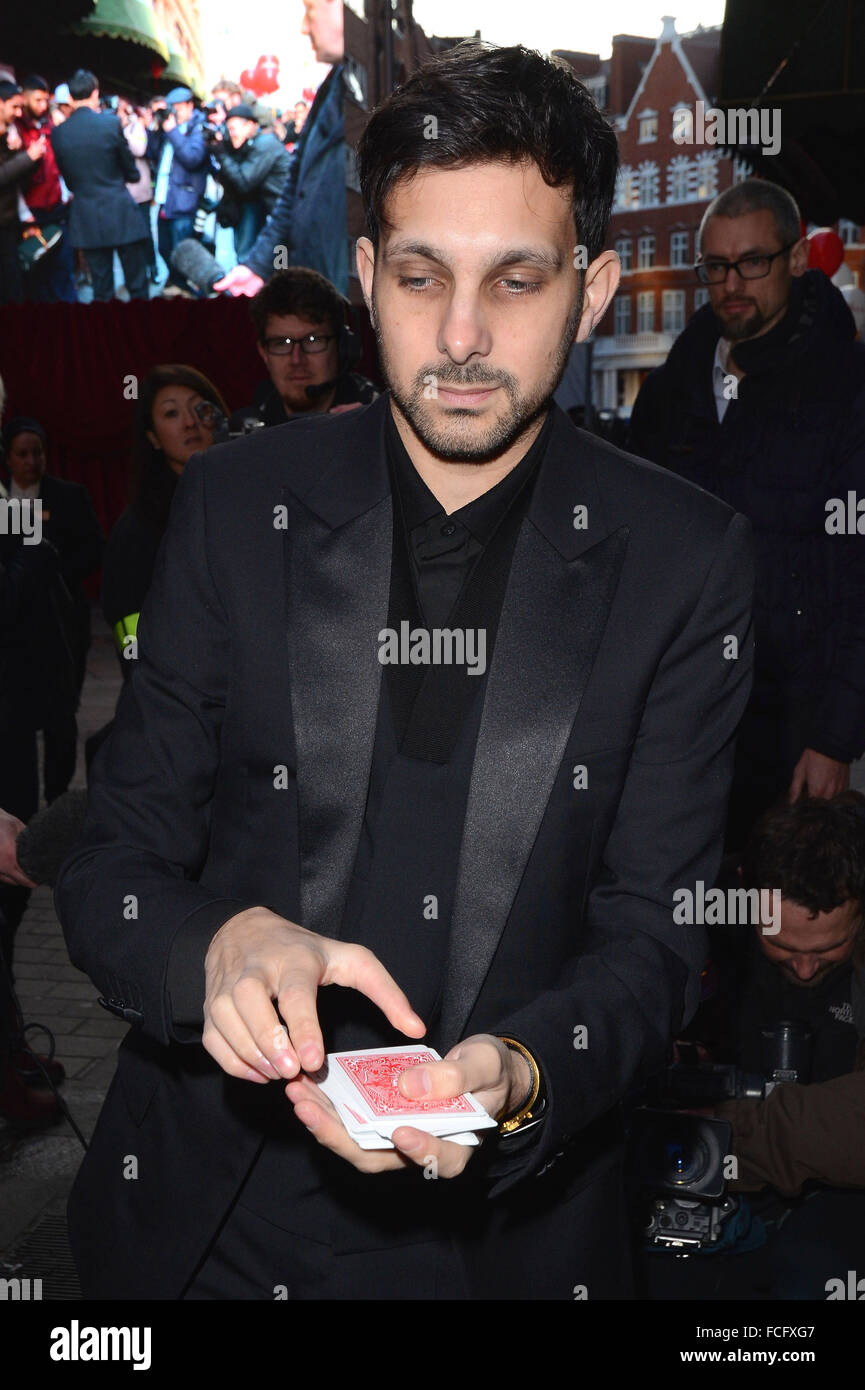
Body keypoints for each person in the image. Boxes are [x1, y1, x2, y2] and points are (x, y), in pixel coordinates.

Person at [55, 41, 754, 1302]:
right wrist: (211, 946)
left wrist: (522, 1071)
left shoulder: (686, 561)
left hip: (498, 1242)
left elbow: (659, 936)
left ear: (592, 292)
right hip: (199, 1230)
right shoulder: (231, 506)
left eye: (519, 280)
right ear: (367, 279)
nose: (464, 335)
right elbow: (111, 860)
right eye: (422, 276)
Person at [628, 179, 865, 852]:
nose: (732, 282)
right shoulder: (673, 387)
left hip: (794, 717)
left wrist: (833, 737)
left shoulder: (846, 386)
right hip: (685, 709)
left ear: (794, 260)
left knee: (784, 913)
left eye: (752, 261)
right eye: (716, 266)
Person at [214, 0, 347, 296]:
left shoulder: (396, 86)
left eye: (309, 9)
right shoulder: (330, 90)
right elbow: (293, 193)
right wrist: (258, 266)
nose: (303, 28)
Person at [101, 365, 227, 673]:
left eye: (201, 408)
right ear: (153, 438)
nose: (190, 423)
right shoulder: (137, 529)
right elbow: (129, 630)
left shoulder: (250, 501)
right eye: (171, 414)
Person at [231, 267, 377, 430]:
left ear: (342, 347)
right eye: (281, 343)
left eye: (312, 340)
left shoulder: (382, 421)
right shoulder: (249, 429)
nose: (296, 360)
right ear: (263, 353)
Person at [49, 69, 149, 302]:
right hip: (120, 210)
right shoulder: (110, 123)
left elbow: (70, 181)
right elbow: (131, 172)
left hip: (86, 215)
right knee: (137, 285)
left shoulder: (59, 134)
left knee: (101, 291)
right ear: (95, 94)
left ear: (71, 99)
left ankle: (104, 335)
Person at [16, 75, 76, 303]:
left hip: (57, 209)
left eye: (45, 100)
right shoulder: (16, 129)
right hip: (32, 216)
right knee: (36, 277)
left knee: (62, 270)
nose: (42, 105)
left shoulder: (51, 125)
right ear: (25, 98)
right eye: (37, 100)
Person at [209, 103, 291, 263]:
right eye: (229, 129)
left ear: (251, 125)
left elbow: (244, 181)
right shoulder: (256, 143)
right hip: (279, 212)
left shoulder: (264, 144)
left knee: (282, 262)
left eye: (235, 128)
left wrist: (222, 154)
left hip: (287, 213)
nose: (232, 134)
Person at [148, 86, 209, 298]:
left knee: (182, 252)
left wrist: (172, 131)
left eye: (179, 108)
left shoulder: (199, 128)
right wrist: (156, 129)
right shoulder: (169, 128)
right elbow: (152, 154)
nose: (175, 112)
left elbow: (192, 158)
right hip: (164, 199)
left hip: (184, 201)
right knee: (164, 247)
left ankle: (188, 289)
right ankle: (179, 284)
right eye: (171, 108)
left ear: (190, 106)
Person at [0, 79, 46, 305]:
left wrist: (27, 156)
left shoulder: (9, 136)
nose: (19, 113)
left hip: (8, 222)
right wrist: (27, 157)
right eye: (14, 107)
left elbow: (16, 180)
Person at [118, 98, 155, 283]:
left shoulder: (136, 128)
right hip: (122, 193)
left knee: (145, 232)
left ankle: (152, 267)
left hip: (140, 191)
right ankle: (135, 273)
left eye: (120, 112)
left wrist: (123, 134)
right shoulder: (112, 130)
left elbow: (140, 149)